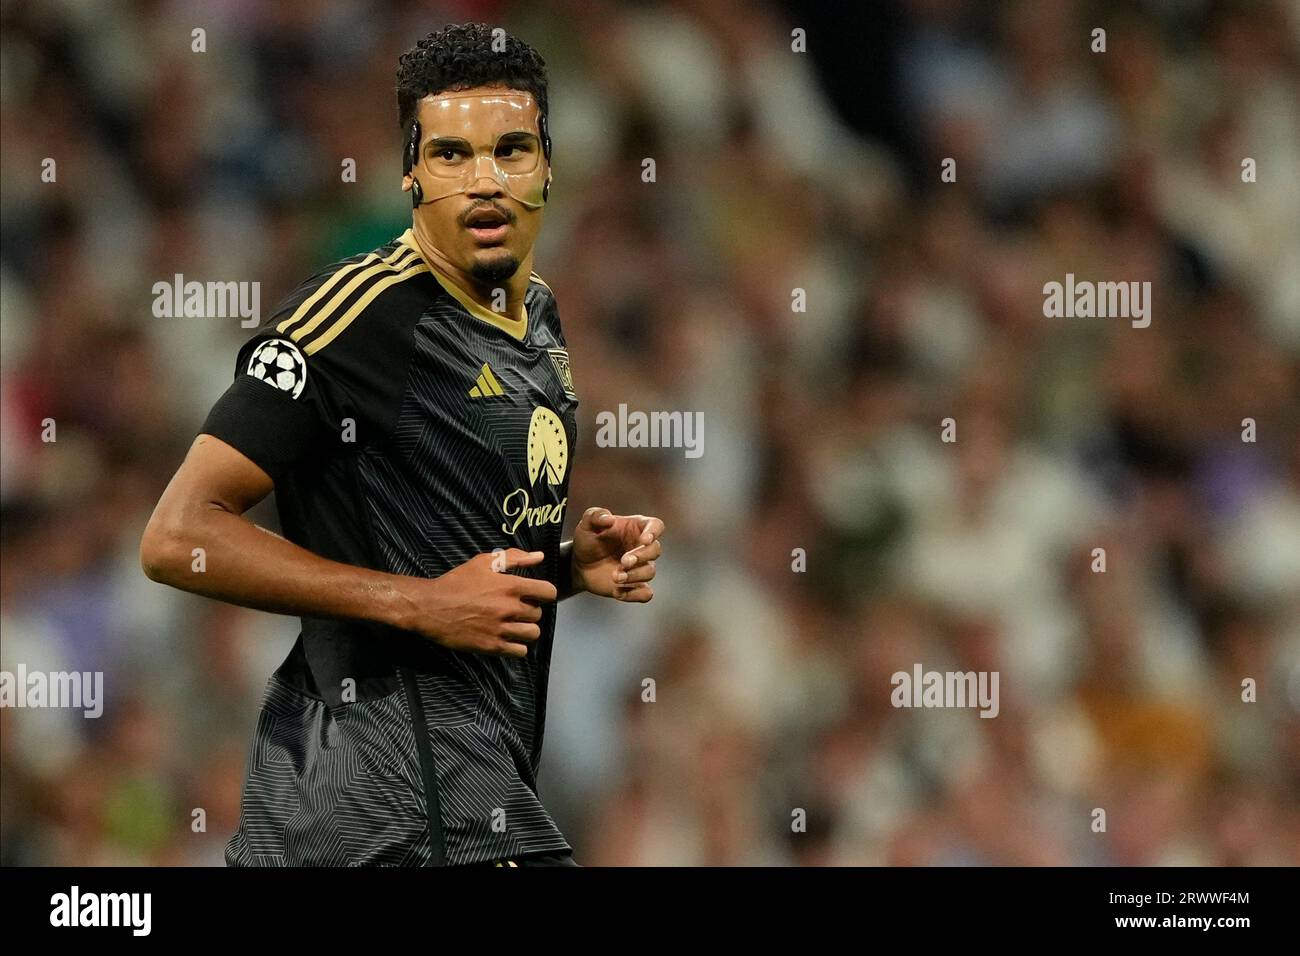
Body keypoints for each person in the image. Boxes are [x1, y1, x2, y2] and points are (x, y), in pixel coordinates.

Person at [139, 22, 664, 867]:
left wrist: (567, 569)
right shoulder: (359, 315)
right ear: (411, 173)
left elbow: (452, 564)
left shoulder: (536, 318)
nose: (485, 181)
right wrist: (419, 605)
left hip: (444, 792)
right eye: (452, 155)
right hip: (390, 797)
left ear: (548, 165)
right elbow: (176, 537)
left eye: (512, 150)